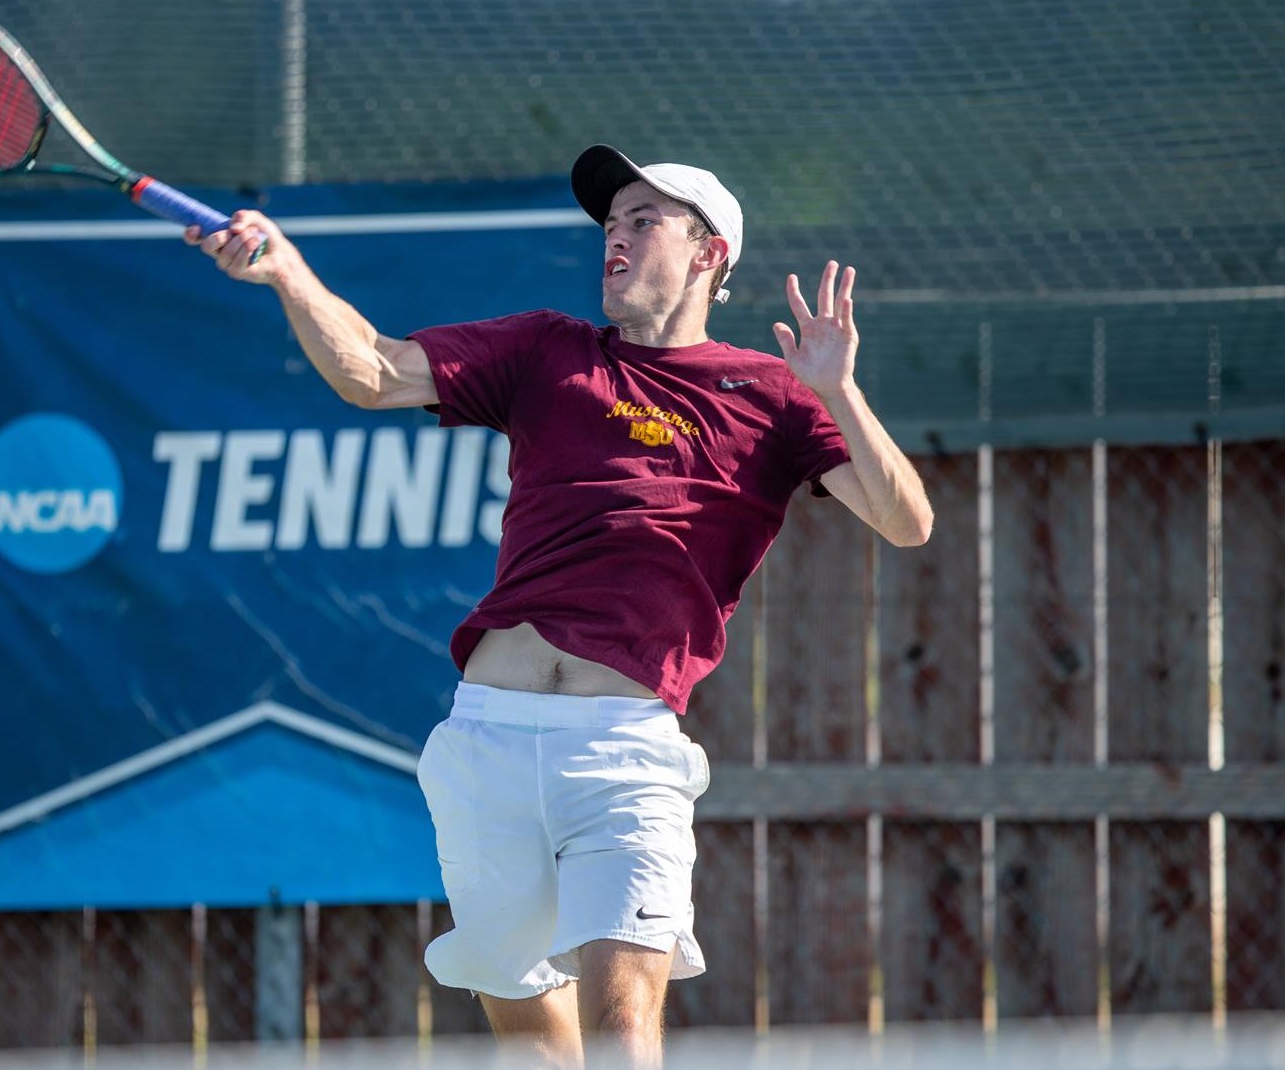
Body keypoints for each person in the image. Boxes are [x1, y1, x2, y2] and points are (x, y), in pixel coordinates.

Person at [187, 145, 933, 1068]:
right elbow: (373, 373)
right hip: (486, 743)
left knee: (623, 1031)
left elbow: (907, 522)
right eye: (610, 225)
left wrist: (840, 393)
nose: (614, 239)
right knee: (536, 1050)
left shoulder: (774, 397)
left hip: (623, 753)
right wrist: (288, 272)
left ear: (709, 254)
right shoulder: (547, 351)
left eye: (643, 221)